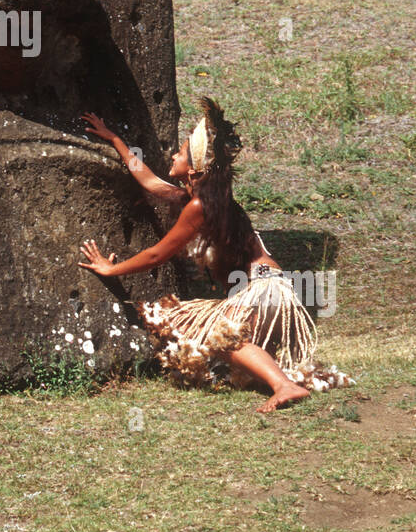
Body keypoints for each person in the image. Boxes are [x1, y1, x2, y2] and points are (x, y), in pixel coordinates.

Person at [77, 98, 352, 412]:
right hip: (274, 292)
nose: (174, 154)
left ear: (194, 168)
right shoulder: (204, 198)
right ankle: (277, 380)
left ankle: (284, 386)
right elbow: (151, 182)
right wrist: (114, 139)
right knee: (211, 339)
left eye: (180, 152)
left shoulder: (199, 207)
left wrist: (113, 270)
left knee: (216, 334)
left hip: (263, 291)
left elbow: (157, 255)